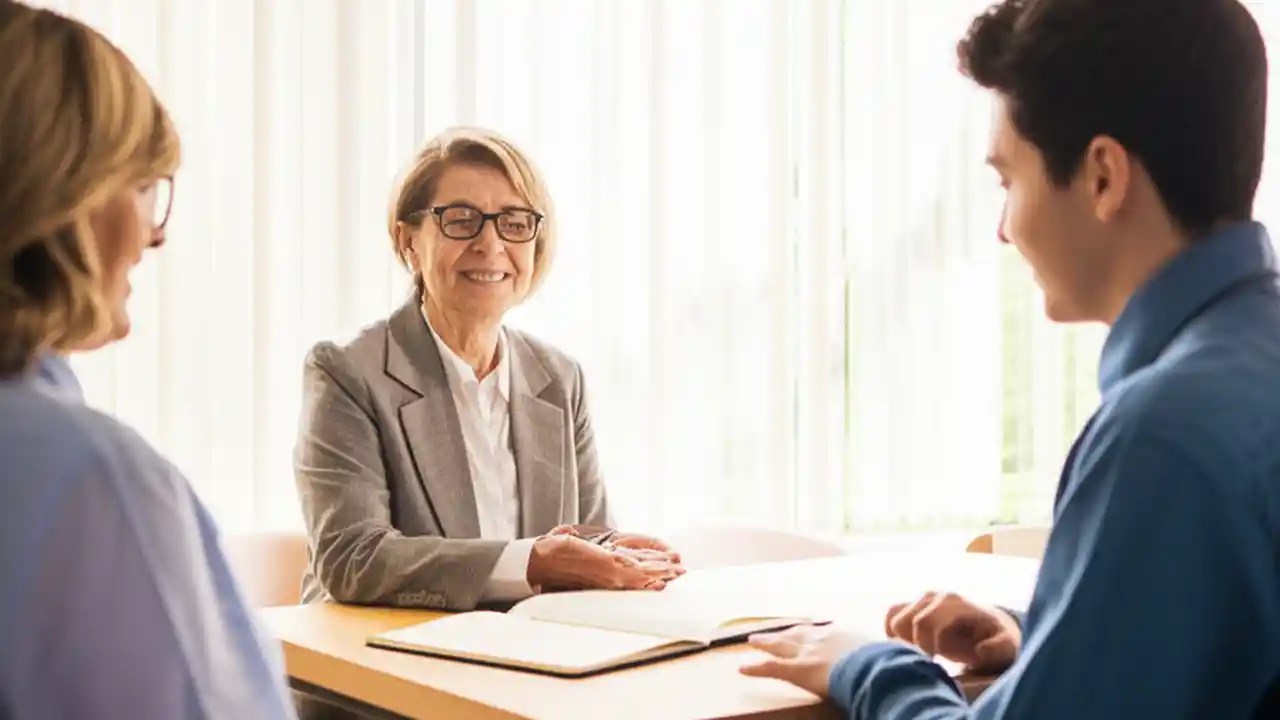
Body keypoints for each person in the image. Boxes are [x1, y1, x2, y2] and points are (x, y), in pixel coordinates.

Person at [741, 0, 1280, 717]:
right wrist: (1044, 637)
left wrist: (869, 666)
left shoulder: (1166, 433)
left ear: (1102, 177)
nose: (1003, 229)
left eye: (1007, 180)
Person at [0, 2, 295, 718]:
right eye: (141, 187)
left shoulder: (552, 377)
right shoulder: (88, 477)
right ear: (64, 193)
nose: (153, 235)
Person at [294, 127, 682, 613]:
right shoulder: (348, 372)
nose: (490, 243)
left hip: (526, 659)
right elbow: (352, 557)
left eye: (515, 223)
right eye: (461, 220)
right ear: (408, 240)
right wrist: (533, 562)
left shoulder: (559, 378)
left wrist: (615, 555)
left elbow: (583, 535)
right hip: (384, 663)